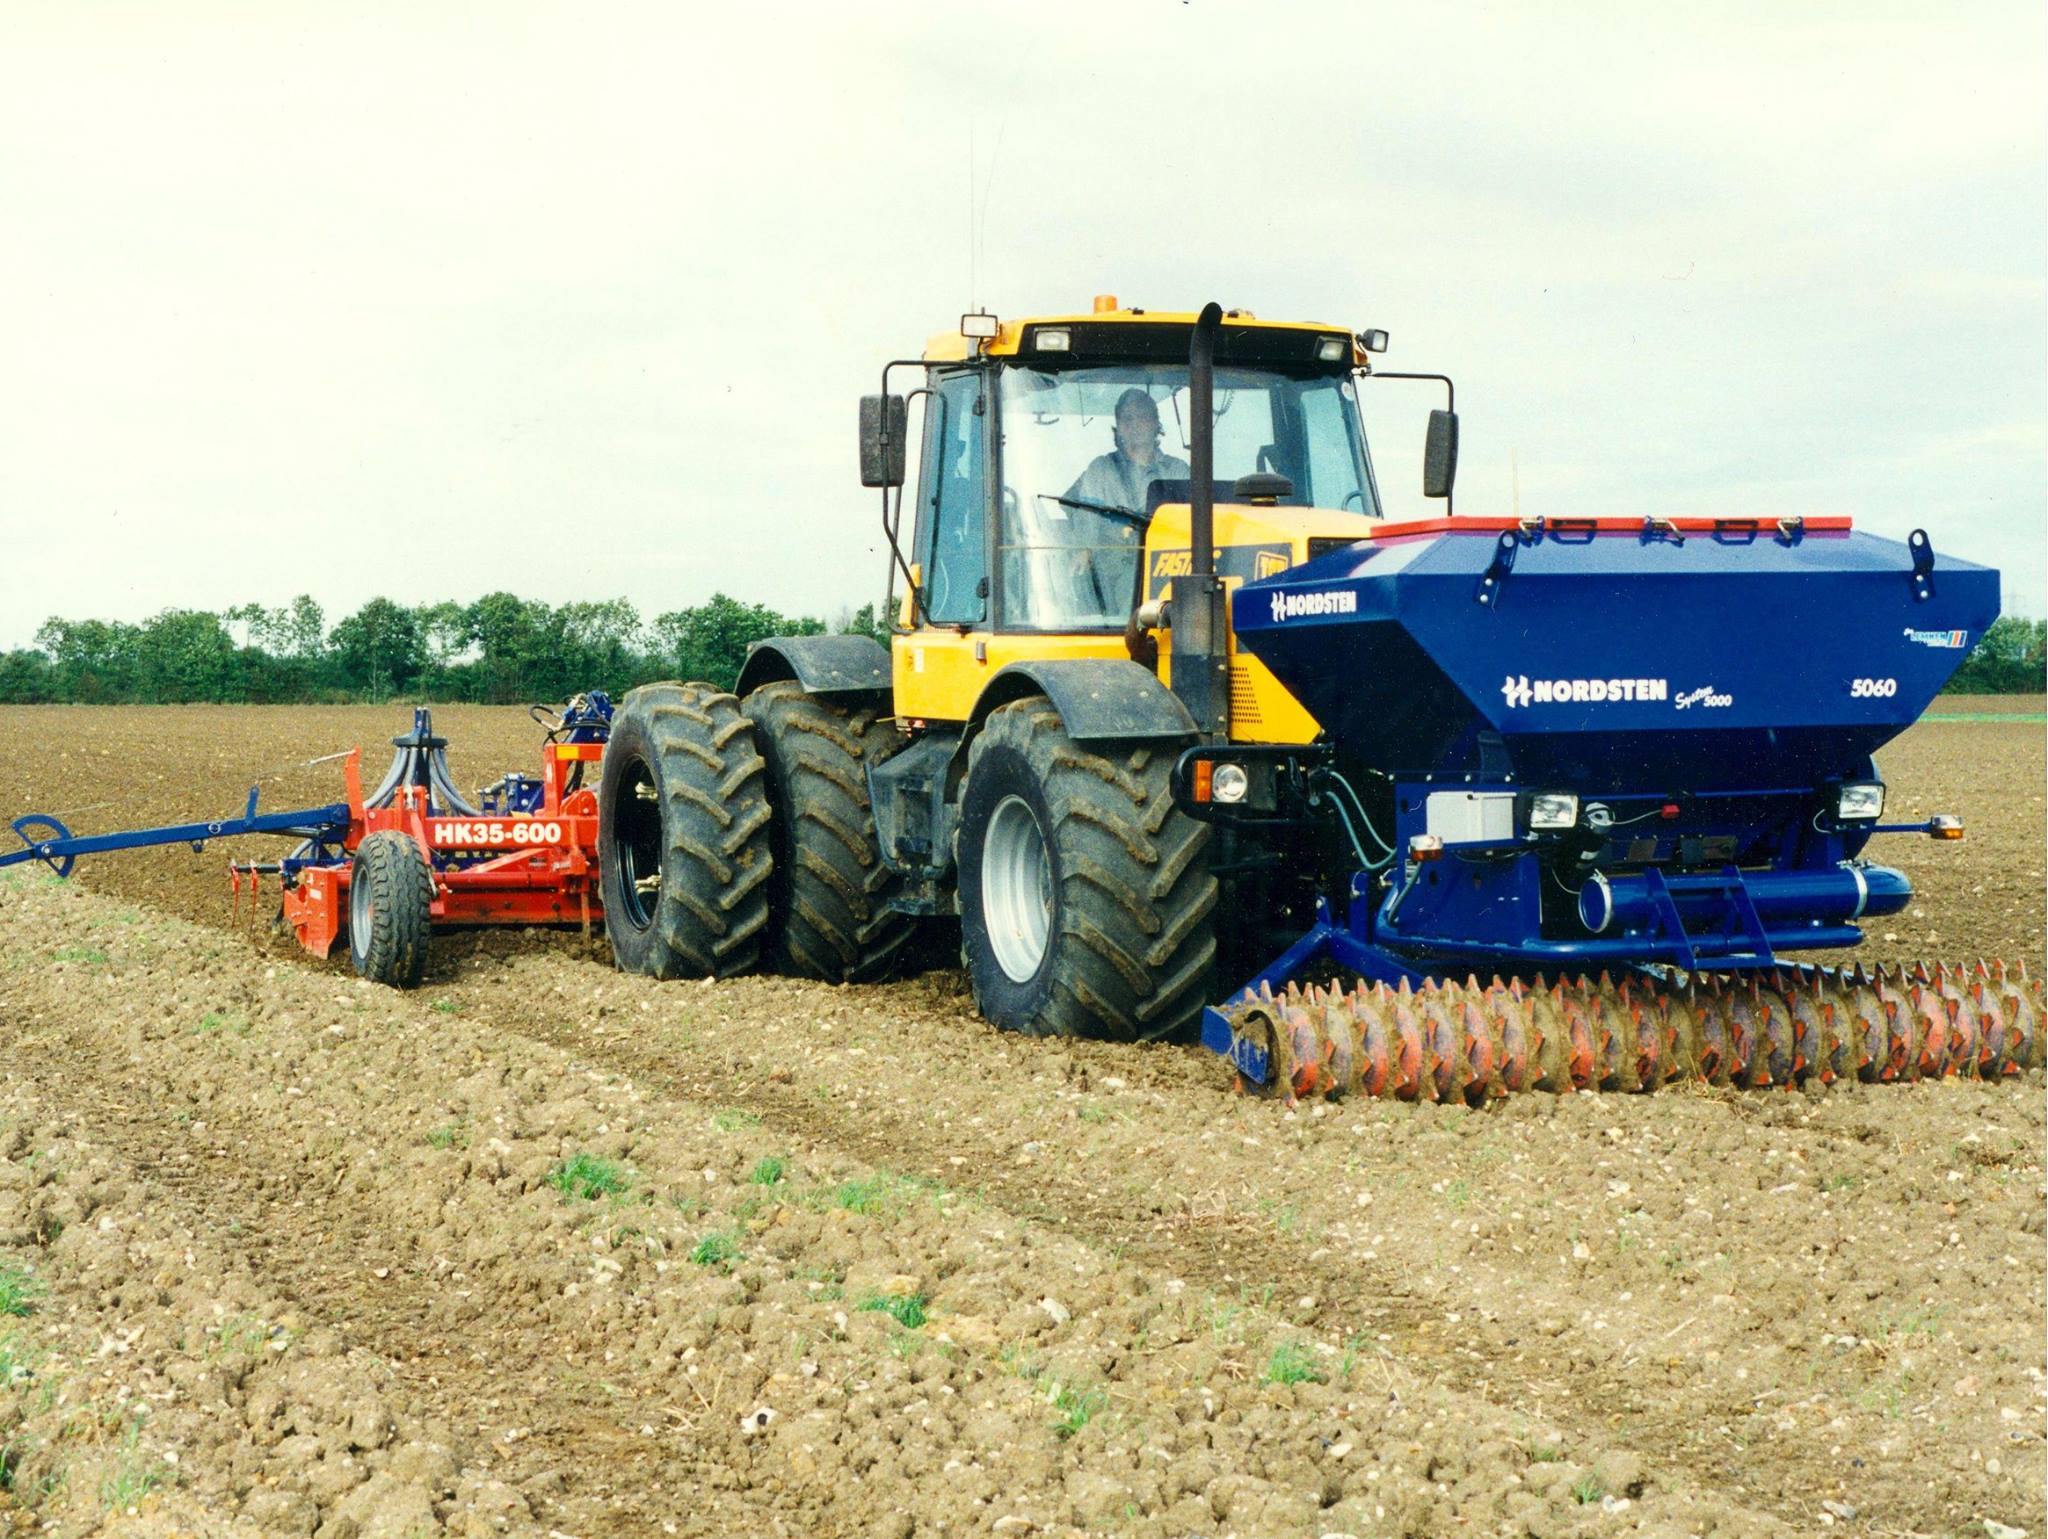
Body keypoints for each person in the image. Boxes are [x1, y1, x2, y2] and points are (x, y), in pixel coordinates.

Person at [1065, 388, 1191, 515]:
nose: (1135, 424)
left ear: (1155, 423)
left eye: (1143, 417)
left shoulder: (1177, 471)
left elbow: (1195, 520)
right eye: (1128, 418)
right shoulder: (1100, 469)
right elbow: (1077, 514)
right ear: (1118, 427)